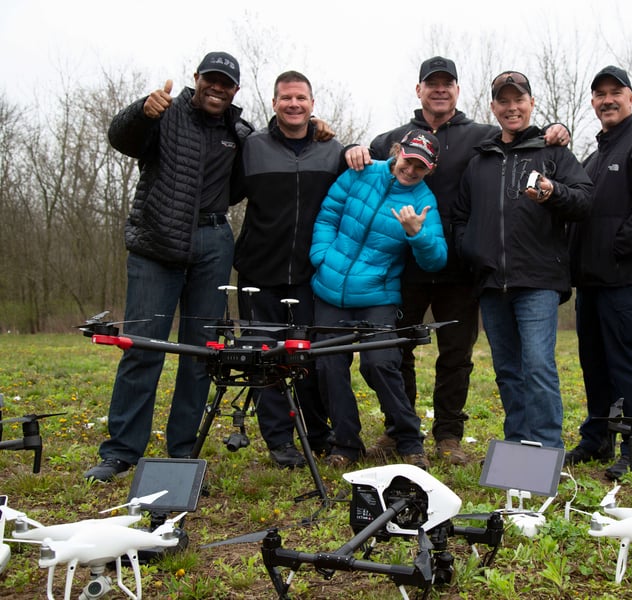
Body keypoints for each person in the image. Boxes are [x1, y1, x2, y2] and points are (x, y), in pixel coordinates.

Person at [344, 56, 570, 465]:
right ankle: (399, 431)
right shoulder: (391, 138)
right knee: (399, 352)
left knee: (456, 355)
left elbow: (520, 137)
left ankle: (448, 435)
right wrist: (349, 148)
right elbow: (363, 164)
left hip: (461, 269)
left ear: (458, 91)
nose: (440, 90)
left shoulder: (481, 136)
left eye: (448, 83)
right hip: (403, 266)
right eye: (432, 84)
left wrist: (559, 129)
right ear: (419, 90)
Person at [85, 52, 253, 481]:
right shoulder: (162, 113)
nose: (217, 88)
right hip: (155, 243)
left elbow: (245, 182)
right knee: (142, 347)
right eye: (210, 80)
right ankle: (121, 452)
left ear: (235, 90)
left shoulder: (239, 132)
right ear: (196, 79)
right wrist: (141, 111)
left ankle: (183, 452)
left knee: (200, 354)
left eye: (226, 83)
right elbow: (120, 137)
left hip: (214, 242)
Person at [452, 71, 591, 449]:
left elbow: (583, 200)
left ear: (530, 103)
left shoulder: (553, 152)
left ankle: (546, 450)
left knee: (539, 367)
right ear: (493, 107)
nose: (512, 108)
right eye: (504, 101)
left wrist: (553, 193)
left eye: (519, 100)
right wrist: (471, 249)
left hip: (539, 281)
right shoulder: (480, 160)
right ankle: (517, 446)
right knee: (507, 371)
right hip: (491, 284)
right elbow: (460, 215)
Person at [311, 129, 447, 470]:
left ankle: (409, 441)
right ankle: (346, 444)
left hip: (378, 293)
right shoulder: (361, 172)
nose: (412, 170)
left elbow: (437, 259)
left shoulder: (422, 201)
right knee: (329, 366)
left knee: (380, 364)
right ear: (397, 151)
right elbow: (328, 215)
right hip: (329, 288)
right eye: (408, 160)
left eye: (421, 166)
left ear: (430, 169)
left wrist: (417, 235)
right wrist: (322, 257)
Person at [566, 66, 632, 480]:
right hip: (591, 284)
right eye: (599, 94)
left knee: (630, 364)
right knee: (595, 365)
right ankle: (598, 438)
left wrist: (615, 251)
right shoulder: (595, 157)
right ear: (593, 102)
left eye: (616, 92)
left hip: (625, 282)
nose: (607, 100)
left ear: (631, 98)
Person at [232, 71, 344, 468]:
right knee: (265, 361)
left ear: (312, 104)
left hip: (313, 276)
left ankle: (319, 435)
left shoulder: (334, 151)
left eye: (301, 98)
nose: (293, 104)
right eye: (285, 98)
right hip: (259, 273)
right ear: (274, 103)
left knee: (310, 361)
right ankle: (280, 442)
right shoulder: (250, 147)